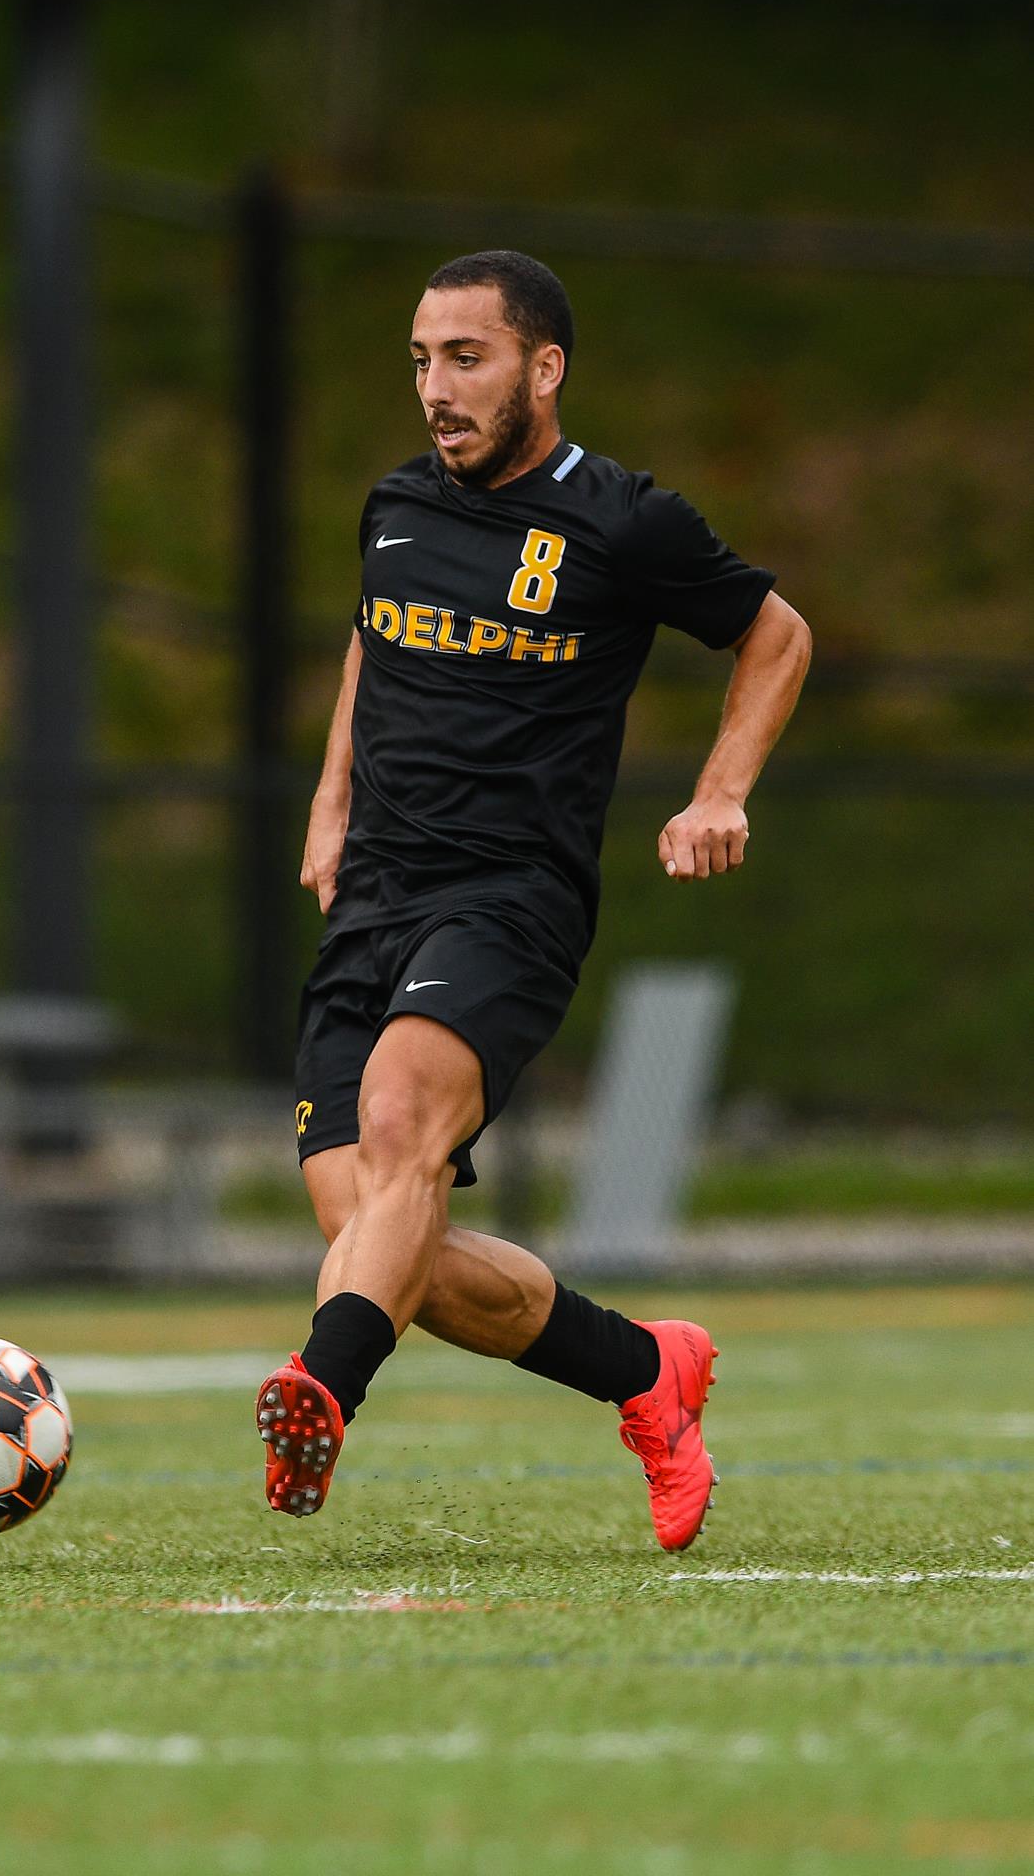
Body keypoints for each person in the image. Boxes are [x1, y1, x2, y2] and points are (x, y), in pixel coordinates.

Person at [255, 250, 811, 1548]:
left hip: (508, 897)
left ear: (541, 369)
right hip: (375, 893)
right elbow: (373, 634)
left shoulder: (622, 522)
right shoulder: (395, 505)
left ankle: (317, 1393)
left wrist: (719, 791)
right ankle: (645, 1372)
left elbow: (773, 636)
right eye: (418, 361)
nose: (434, 389)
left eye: (466, 358)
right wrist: (329, 796)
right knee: (384, 1247)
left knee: (399, 1130)